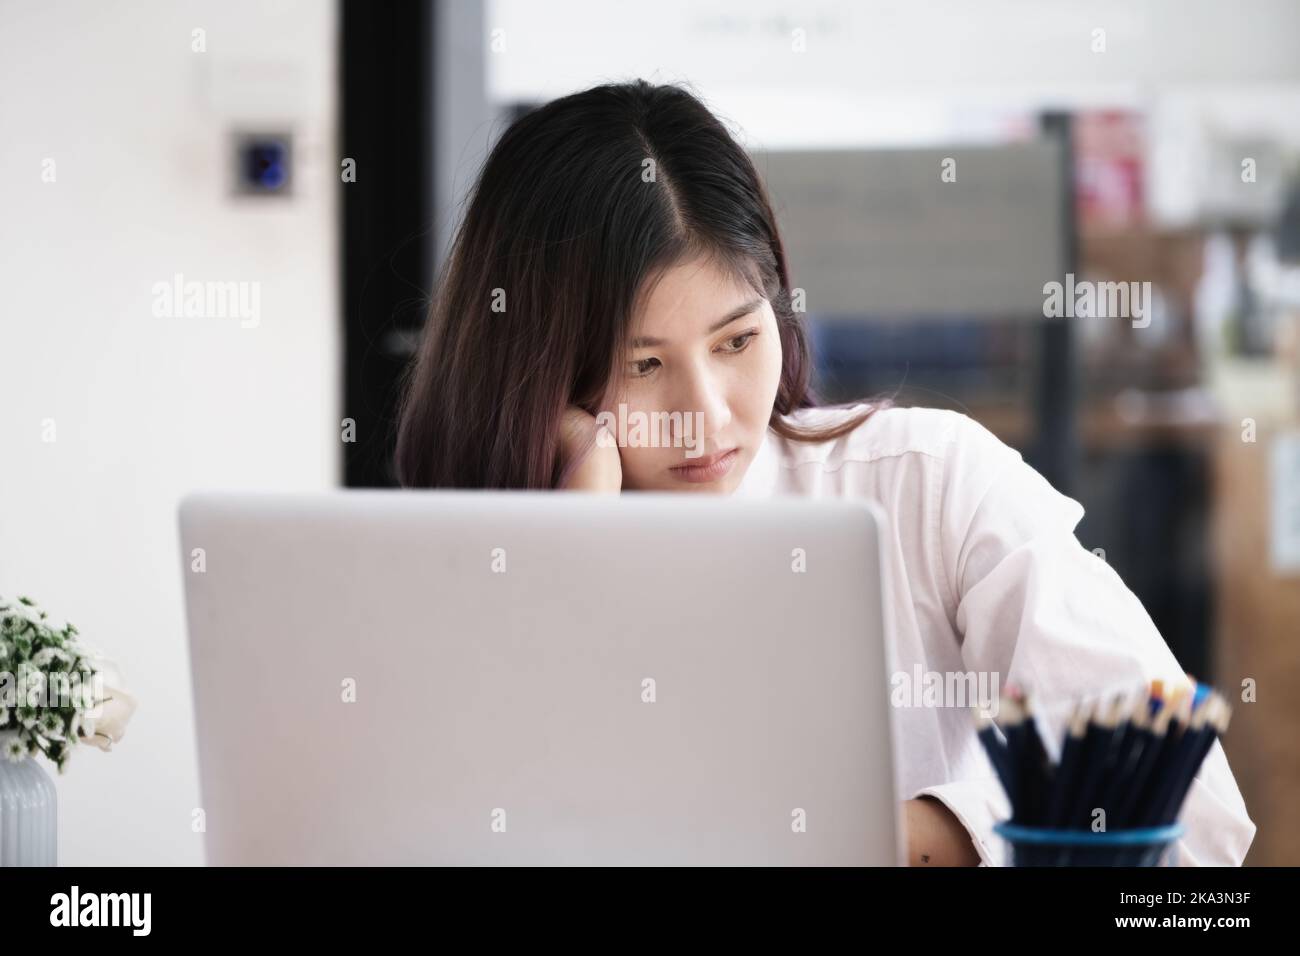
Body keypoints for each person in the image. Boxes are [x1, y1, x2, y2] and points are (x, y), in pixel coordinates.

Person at [394, 79, 1255, 865]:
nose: (711, 410)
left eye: (738, 340)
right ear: (539, 374)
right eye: (642, 365)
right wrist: (571, 550)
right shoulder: (456, 572)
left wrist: (919, 841)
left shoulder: (925, 485)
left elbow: (1194, 810)